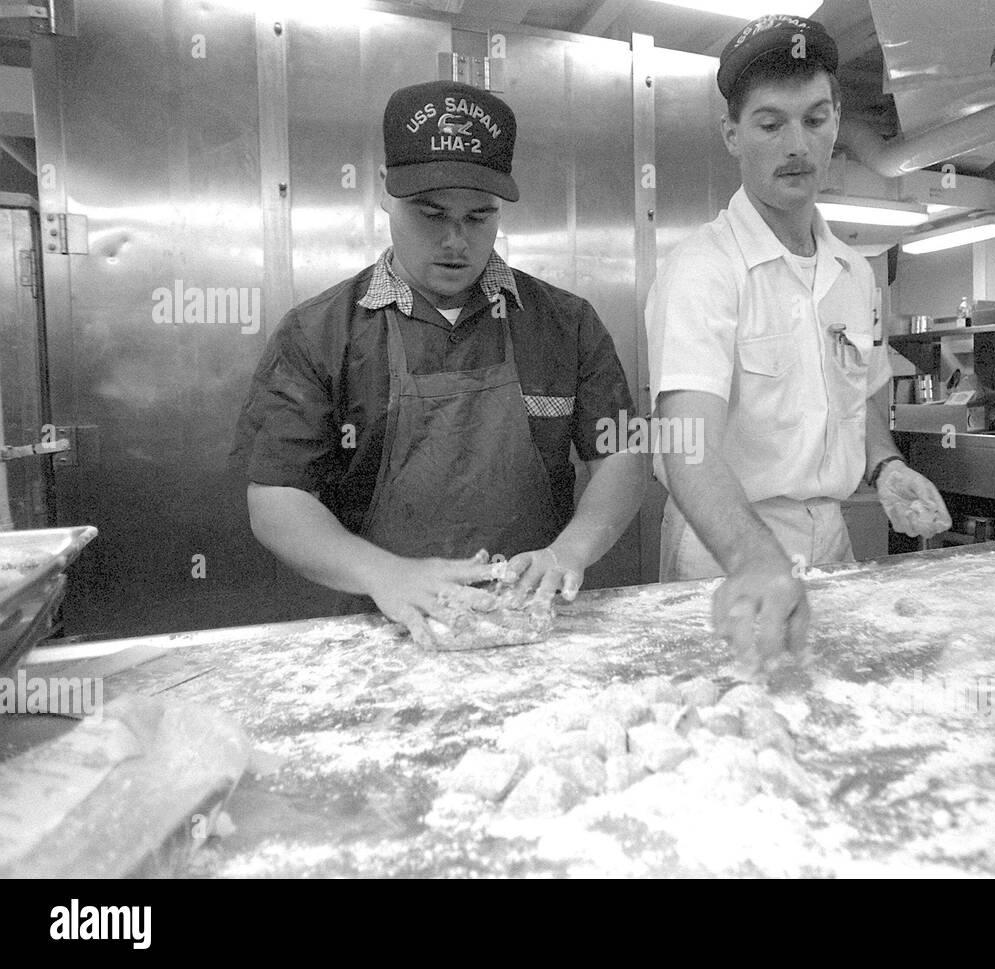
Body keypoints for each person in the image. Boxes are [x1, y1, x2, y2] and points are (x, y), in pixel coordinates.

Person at [231, 81, 645, 642]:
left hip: (530, 624)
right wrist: (384, 574)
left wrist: (569, 551)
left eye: (479, 217)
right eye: (430, 214)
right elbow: (276, 497)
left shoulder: (564, 323)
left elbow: (622, 454)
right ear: (385, 190)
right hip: (382, 632)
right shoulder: (319, 333)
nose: (455, 241)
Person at [645, 14, 951, 679]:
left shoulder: (855, 273)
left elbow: (860, 401)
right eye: (770, 124)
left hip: (829, 542)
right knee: (724, 722)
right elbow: (686, 447)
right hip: (726, 554)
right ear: (732, 134)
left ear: (837, 123)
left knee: (829, 713)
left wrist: (887, 469)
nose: (796, 145)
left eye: (815, 120)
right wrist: (756, 560)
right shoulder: (704, 269)